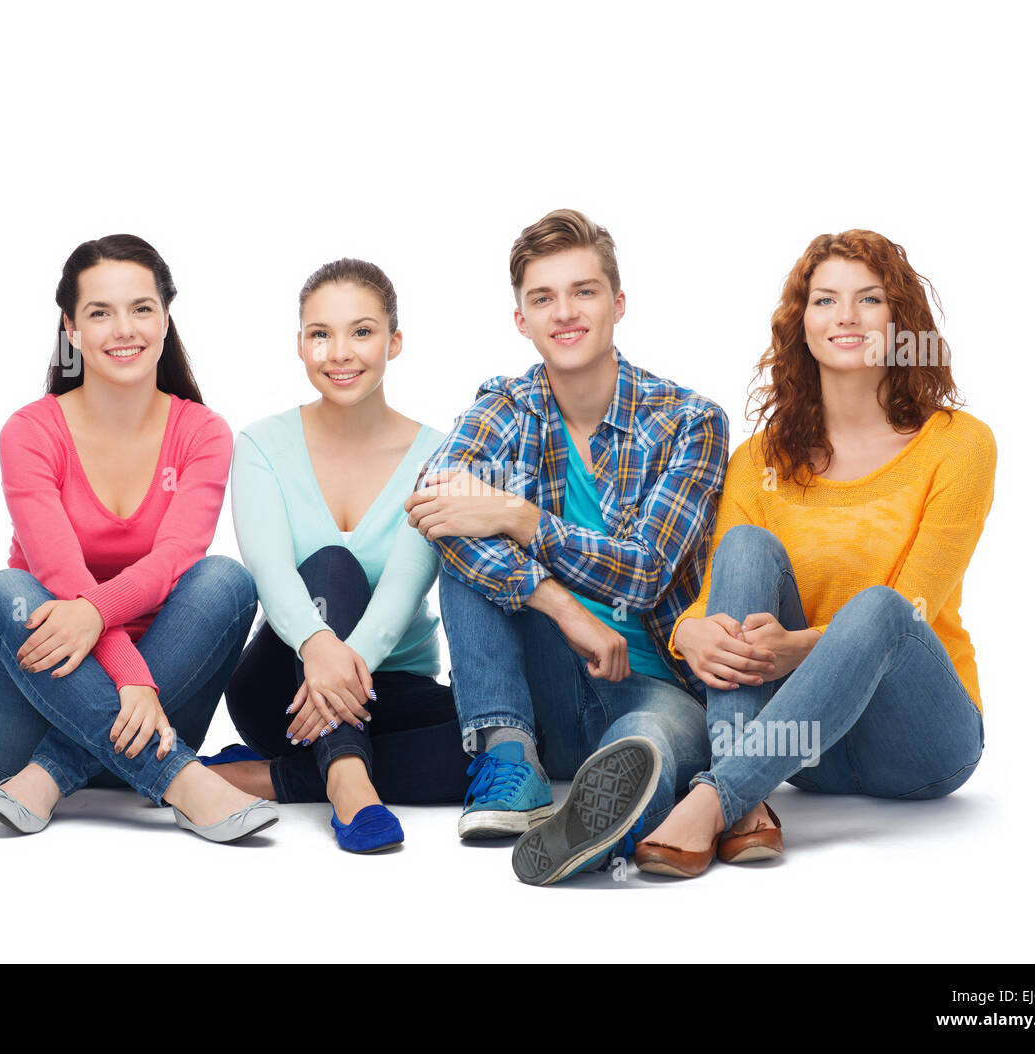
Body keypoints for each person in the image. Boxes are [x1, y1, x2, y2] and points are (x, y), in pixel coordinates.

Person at [634, 229, 995, 878]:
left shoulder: (959, 444)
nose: (847, 317)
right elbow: (717, 590)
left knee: (883, 608)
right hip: (806, 753)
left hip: (921, 740)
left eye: (870, 299)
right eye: (826, 301)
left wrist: (796, 648)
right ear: (802, 324)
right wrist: (689, 632)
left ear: (900, 319)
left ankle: (717, 796)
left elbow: (914, 607)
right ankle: (746, 806)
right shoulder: (759, 460)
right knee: (745, 545)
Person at [404, 209, 729, 885]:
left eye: (583, 291)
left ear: (617, 303)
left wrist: (516, 515)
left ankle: (600, 815)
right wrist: (558, 604)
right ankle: (511, 760)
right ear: (521, 319)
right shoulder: (507, 405)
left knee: (654, 741)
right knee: (462, 529)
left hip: (651, 687)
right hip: (541, 686)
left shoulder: (689, 421)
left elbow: (642, 572)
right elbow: (431, 504)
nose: (565, 313)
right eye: (543, 298)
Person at [0, 234, 275, 843]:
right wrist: (128, 673)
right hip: (31, 714)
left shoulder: (202, 432)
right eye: (99, 313)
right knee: (7, 592)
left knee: (226, 581)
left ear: (164, 319)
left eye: (140, 308)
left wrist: (116, 646)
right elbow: (61, 579)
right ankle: (183, 782)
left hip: (161, 702)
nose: (122, 329)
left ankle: (54, 772)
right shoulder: (29, 432)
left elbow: (174, 559)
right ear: (72, 331)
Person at [208, 258, 468, 853]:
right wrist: (319, 648)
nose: (339, 352)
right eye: (320, 334)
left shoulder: (441, 452)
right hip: (283, 686)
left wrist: (344, 673)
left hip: (387, 687)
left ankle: (277, 776)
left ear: (394, 341)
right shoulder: (260, 444)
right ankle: (349, 783)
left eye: (362, 331)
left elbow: (405, 589)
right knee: (332, 565)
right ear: (300, 344)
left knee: (493, 739)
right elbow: (271, 574)